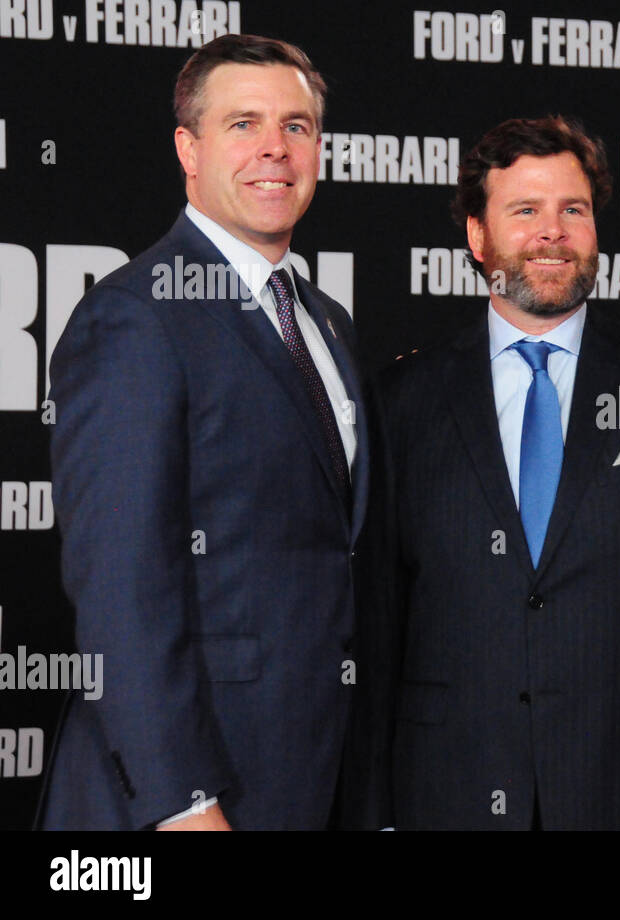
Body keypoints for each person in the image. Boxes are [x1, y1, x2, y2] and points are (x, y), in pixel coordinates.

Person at [346, 115, 620, 830]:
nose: (553, 232)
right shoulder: (405, 400)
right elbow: (379, 628)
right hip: (448, 796)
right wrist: (376, 814)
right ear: (478, 237)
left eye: (572, 210)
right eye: (525, 211)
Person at [39, 34, 368, 830]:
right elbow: (120, 592)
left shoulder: (328, 322)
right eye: (243, 124)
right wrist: (184, 804)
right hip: (181, 799)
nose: (274, 150)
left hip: (306, 781)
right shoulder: (135, 318)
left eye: (296, 126)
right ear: (188, 148)